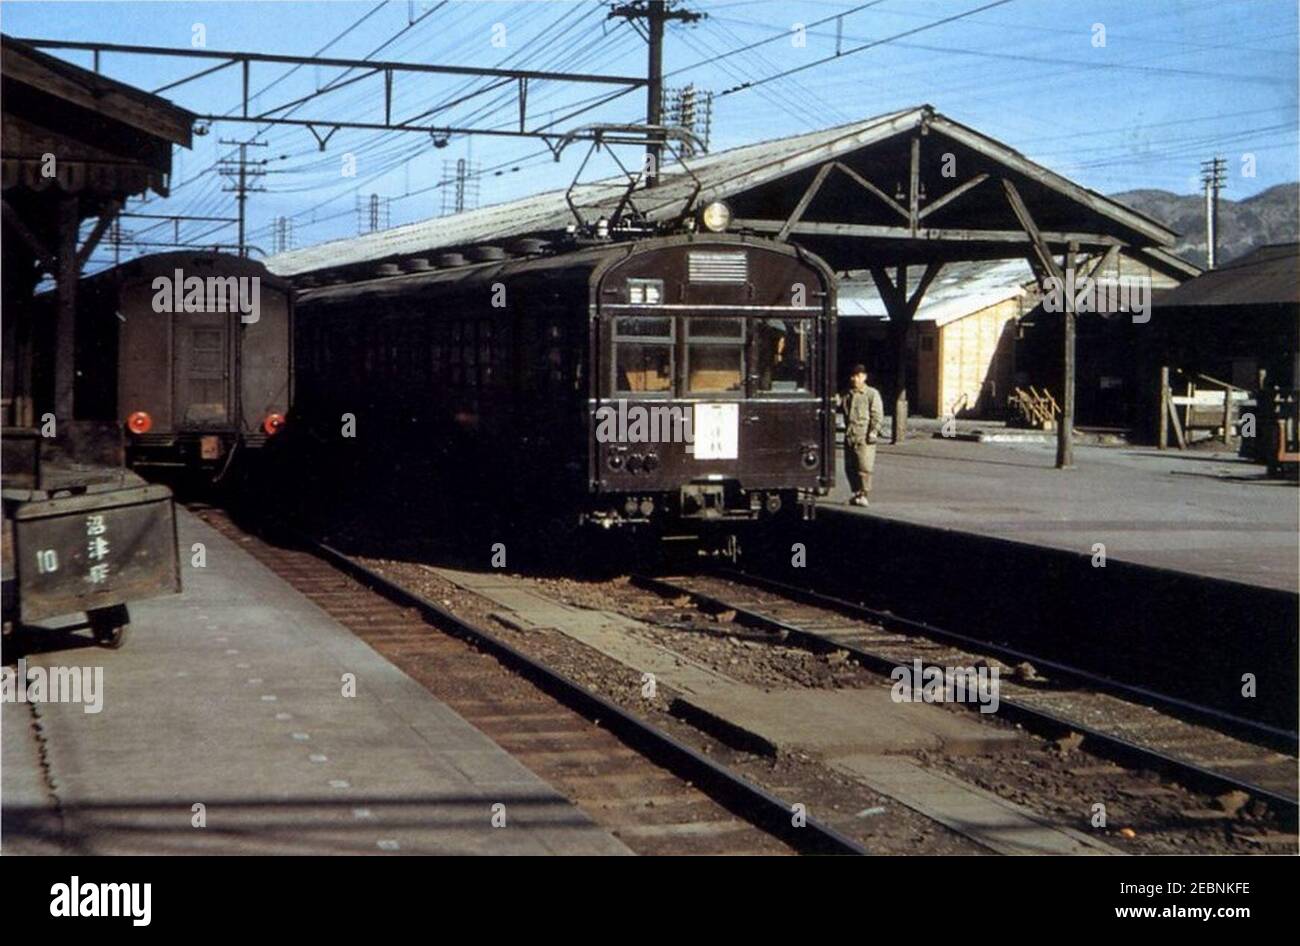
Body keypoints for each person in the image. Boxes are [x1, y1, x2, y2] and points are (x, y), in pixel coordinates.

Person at [836, 364, 884, 507]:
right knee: (849, 467)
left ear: (864, 377)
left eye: (857, 376)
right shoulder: (848, 394)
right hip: (850, 435)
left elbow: (877, 414)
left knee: (864, 467)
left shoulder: (871, 394)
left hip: (864, 437)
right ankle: (856, 493)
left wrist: (874, 431)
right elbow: (838, 404)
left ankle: (864, 494)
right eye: (853, 376)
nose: (854, 379)